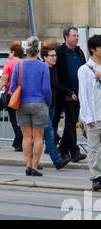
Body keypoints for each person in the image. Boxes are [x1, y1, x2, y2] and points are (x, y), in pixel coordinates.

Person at [9, 35, 52, 177]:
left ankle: (27, 165)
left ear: (26, 51)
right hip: (39, 103)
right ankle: (35, 166)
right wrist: (48, 102)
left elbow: (13, 86)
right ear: (38, 51)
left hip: (22, 104)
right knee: (38, 137)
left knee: (26, 137)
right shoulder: (43, 66)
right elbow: (46, 89)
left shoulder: (19, 65)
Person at [55, 25, 87, 163]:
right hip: (66, 94)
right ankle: (71, 151)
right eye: (74, 36)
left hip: (79, 94)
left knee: (72, 122)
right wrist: (67, 91)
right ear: (66, 37)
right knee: (71, 121)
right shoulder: (60, 53)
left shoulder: (79, 52)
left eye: (77, 36)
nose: (77, 38)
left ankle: (66, 149)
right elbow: (57, 77)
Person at [41, 41, 70, 171]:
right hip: (43, 106)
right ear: (45, 57)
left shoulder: (54, 70)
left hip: (52, 106)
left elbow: (56, 86)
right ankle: (57, 161)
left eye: (55, 55)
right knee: (48, 133)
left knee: (41, 134)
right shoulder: (43, 70)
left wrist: (69, 92)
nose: (54, 57)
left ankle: (32, 162)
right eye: (51, 55)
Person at [78, 34, 101, 192]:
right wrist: (88, 117)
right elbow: (83, 96)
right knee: (94, 148)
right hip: (94, 115)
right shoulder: (84, 70)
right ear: (93, 50)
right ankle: (96, 176)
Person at [0, 42, 25, 151]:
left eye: (10, 52)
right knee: (21, 118)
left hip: (12, 94)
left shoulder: (9, 63)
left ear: (13, 52)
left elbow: (4, 79)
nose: (9, 55)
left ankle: (20, 141)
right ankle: (17, 142)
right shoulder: (24, 63)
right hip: (23, 94)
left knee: (13, 119)